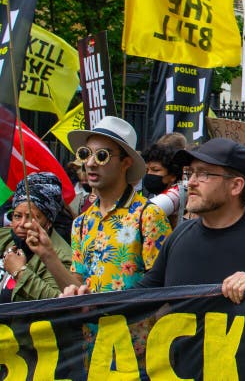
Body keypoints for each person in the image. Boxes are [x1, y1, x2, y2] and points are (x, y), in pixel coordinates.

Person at [62, 138, 245, 301]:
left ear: (236, 185)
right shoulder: (180, 237)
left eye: (204, 174)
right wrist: (87, 302)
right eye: (190, 173)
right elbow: (140, 299)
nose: (192, 182)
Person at [31, 116, 173, 293]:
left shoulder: (149, 216)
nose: (90, 163)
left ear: (126, 163)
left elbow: (162, 287)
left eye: (102, 156)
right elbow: (77, 291)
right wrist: (48, 255)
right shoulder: (81, 223)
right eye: (85, 154)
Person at [0, 173, 72, 301]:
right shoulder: (5, 237)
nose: (22, 224)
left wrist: (20, 272)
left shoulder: (61, 256)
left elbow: (59, 302)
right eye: (17, 216)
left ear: (48, 223)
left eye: (31, 217)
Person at [141, 142, 186, 225]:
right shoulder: (147, 195)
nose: (149, 174)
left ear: (172, 175)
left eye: (155, 170)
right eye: (146, 170)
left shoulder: (180, 195)